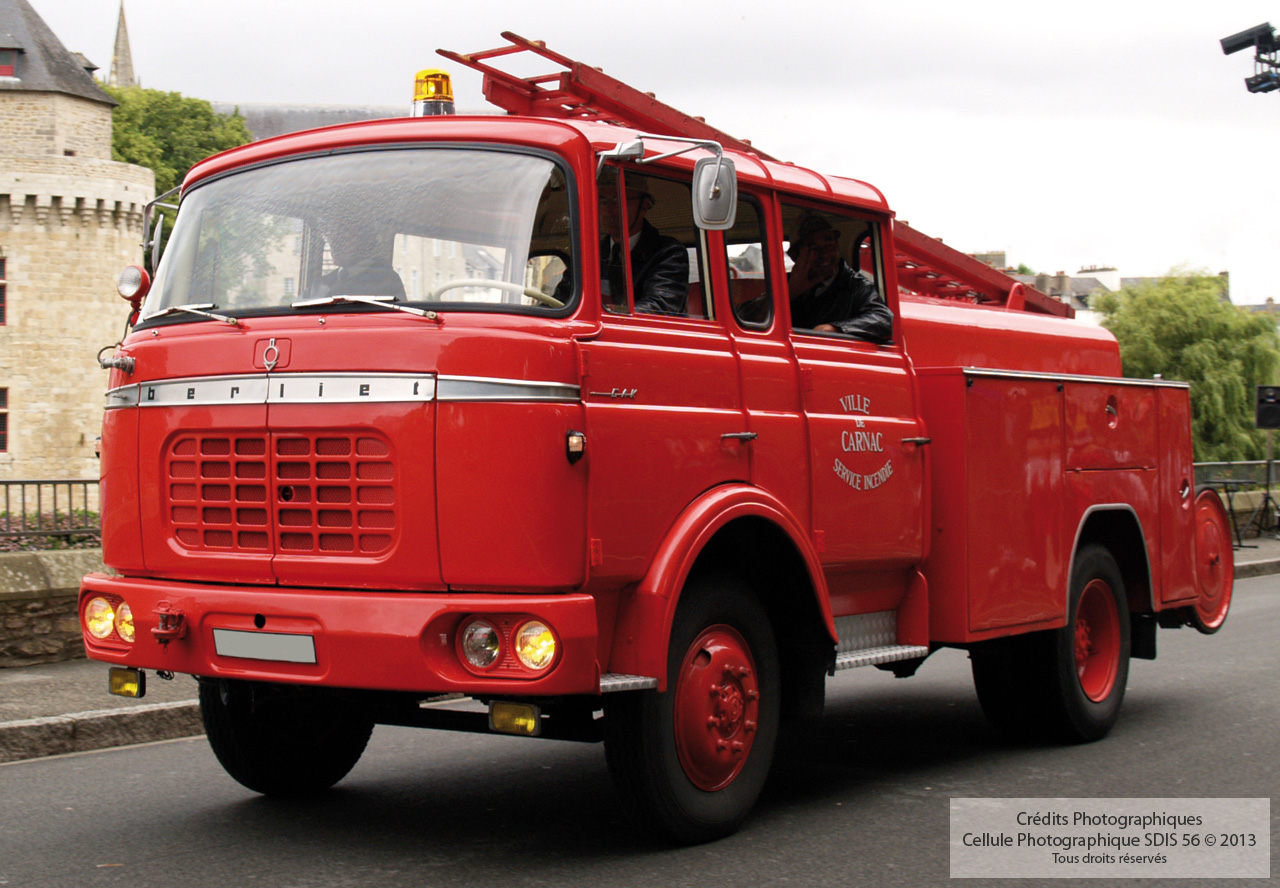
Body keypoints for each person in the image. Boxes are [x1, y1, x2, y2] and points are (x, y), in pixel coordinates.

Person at [556, 181, 689, 314]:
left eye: (618, 201)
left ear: (644, 205)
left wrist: (608, 315)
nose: (608, 211)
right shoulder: (589, 254)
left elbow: (659, 307)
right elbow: (562, 299)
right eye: (602, 202)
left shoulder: (668, 252)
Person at [786, 213, 892, 342]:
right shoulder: (784, 283)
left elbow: (883, 319)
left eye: (829, 245)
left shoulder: (855, 285)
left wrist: (833, 329)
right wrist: (791, 292)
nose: (824, 254)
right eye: (813, 247)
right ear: (795, 255)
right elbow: (762, 319)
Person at [308, 225, 405, 301]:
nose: (334, 243)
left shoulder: (387, 280)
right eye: (330, 237)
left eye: (343, 237)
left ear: (364, 240)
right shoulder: (321, 283)